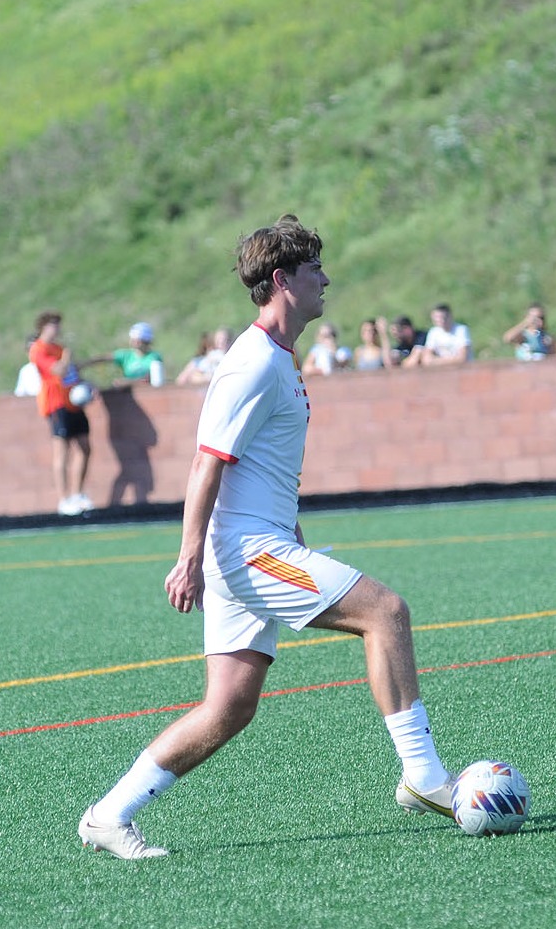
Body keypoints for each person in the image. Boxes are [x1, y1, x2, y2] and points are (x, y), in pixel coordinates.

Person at [77, 215, 454, 860]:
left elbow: (259, 470)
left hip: (260, 544)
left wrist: (291, 537)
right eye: (315, 272)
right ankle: (423, 776)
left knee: (229, 707)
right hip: (246, 555)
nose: (326, 280)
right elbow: (207, 462)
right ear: (283, 281)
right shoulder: (252, 363)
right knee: (386, 613)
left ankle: (109, 815)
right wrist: (189, 556)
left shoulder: (277, 358)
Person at [31, 311, 93, 516]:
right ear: (43, 327)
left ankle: (77, 494)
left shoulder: (58, 348)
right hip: (56, 403)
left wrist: (85, 387)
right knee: (62, 451)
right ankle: (63, 499)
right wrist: (66, 357)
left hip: (73, 402)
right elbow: (59, 370)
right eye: (52, 325)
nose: (56, 329)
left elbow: (73, 373)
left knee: (85, 447)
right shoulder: (38, 349)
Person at [107, 322, 167, 387]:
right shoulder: (126, 355)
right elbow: (104, 358)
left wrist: (127, 382)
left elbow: (149, 379)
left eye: (136, 339)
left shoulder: (154, 357)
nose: (133, 341)